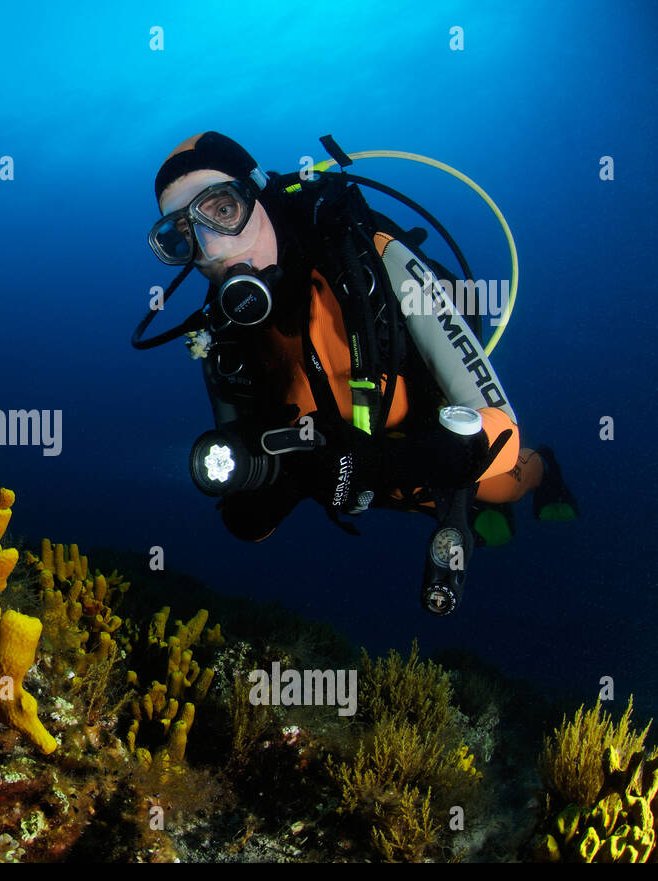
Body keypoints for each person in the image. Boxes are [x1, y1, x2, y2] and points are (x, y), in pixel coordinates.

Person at [138, 132, 577, 606]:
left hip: (432, 446)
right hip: (361, 482)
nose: (211, 249)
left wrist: (374, 465)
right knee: (436, 505)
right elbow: (247, 506)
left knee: (500, 486)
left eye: (223, 211)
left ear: (258, 193)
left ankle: (546, 470)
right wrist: (287, 482)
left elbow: (502, 436)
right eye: (183, 236)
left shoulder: (376, 258)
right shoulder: (221, 335)